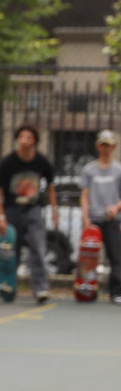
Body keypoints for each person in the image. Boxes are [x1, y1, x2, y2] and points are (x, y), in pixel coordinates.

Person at [0, 125, 57, 304]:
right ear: (17, 139)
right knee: (12, 249)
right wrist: (1, 217)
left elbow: (51, 185)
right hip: (12, 209)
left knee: (38, 247)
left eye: (29, 137)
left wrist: (54, 211)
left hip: (33, 209)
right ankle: (8, 285)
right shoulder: (8, 162)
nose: (25, 141)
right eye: (22, 137)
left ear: (34, 141)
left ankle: (41, 288)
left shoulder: (41, 161)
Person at [78, 129, 121, 304]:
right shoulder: (89, 170)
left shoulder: (118, 169)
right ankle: (86, 287)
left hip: (112, 218)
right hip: (94, 218)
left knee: (116, 256)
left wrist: (116, 208)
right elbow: (84, 194)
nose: (106, 149)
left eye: (109, 145)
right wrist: (86, 217)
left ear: (114, 147)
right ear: (97, 146)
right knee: (89, 256)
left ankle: (116, 291)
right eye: (103, 145)